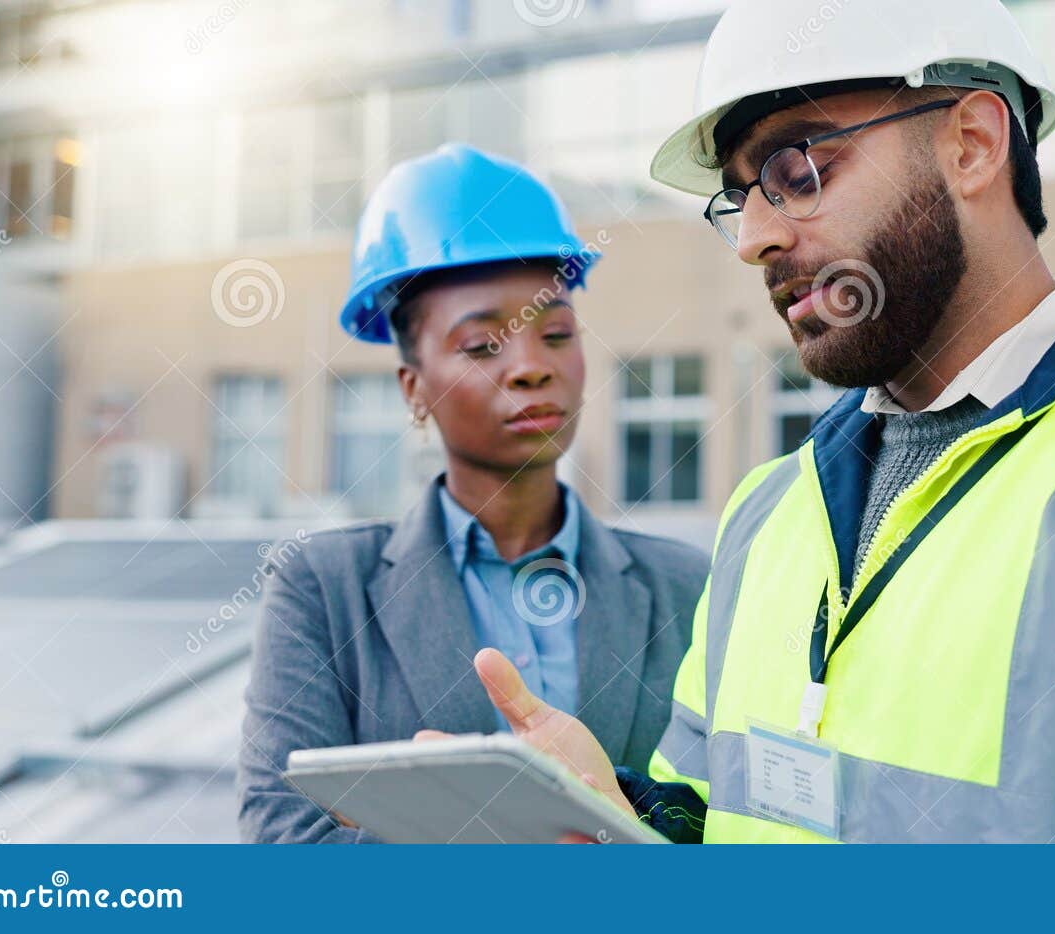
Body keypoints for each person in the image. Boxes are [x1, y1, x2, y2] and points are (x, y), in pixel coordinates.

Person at [420, 0, 1055, 844]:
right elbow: (721, 825)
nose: (754, 236)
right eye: (739, 197)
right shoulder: (768, 515)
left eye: (797, 168)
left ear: (970, 144)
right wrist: (618, 826)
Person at [237, 144, 709, 844]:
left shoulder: (688, 586)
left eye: (556, 333)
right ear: (414, 389)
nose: (530, 367)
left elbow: (727, 826)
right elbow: (281, 848)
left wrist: (414, 824)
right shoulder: (322, 590)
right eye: (484, 345)